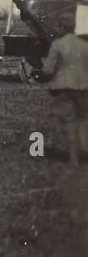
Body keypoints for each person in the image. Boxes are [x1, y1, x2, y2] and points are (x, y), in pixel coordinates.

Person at [34, 23, 88, 164]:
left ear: (62, 29)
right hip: (83, 88)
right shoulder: (85, 45)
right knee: (83, 120)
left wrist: (38, 72)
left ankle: (73, 157)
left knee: (69, 122)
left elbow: (48, 71)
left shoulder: (58, 44)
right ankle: (85, 153)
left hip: (63, 87)